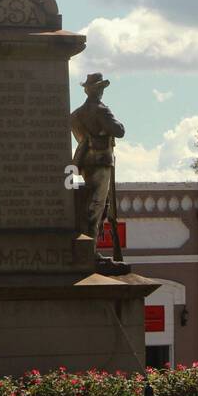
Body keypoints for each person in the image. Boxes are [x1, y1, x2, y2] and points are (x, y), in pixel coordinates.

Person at [70, 72, 125, 260]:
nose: (102, 92)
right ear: (97, 90)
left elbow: (79, 138)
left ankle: (87, 249)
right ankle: (90, 253)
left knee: (88, 207)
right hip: (101, 163)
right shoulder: (101, 110)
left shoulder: (76, 115)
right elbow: (119, 130)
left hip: (84, 162)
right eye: (100, 88)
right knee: (96, 207)